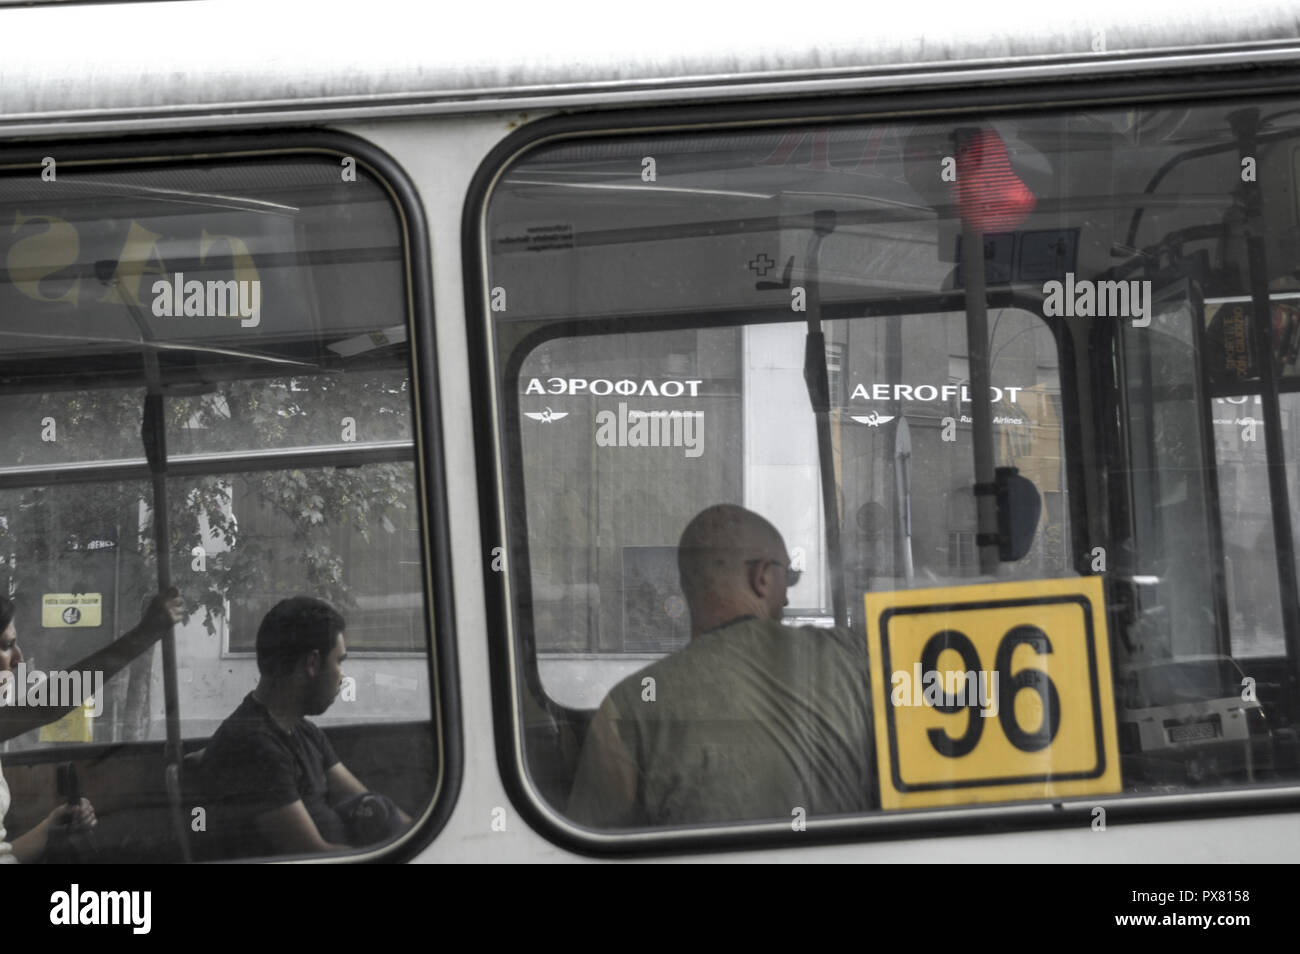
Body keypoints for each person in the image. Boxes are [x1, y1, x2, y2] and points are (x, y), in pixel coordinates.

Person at [567, 504, 875, 828]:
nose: (786, 600)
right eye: (790, 577)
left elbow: (588, 838)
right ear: (762, 576)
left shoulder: (627, 707)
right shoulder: (851, 657)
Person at [202, 596, 412, 857]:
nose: (342, 676)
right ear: (312, 663)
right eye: (339, 661)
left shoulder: (305, 732)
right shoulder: (253, 747)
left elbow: (372, 803)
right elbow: (313, 855)